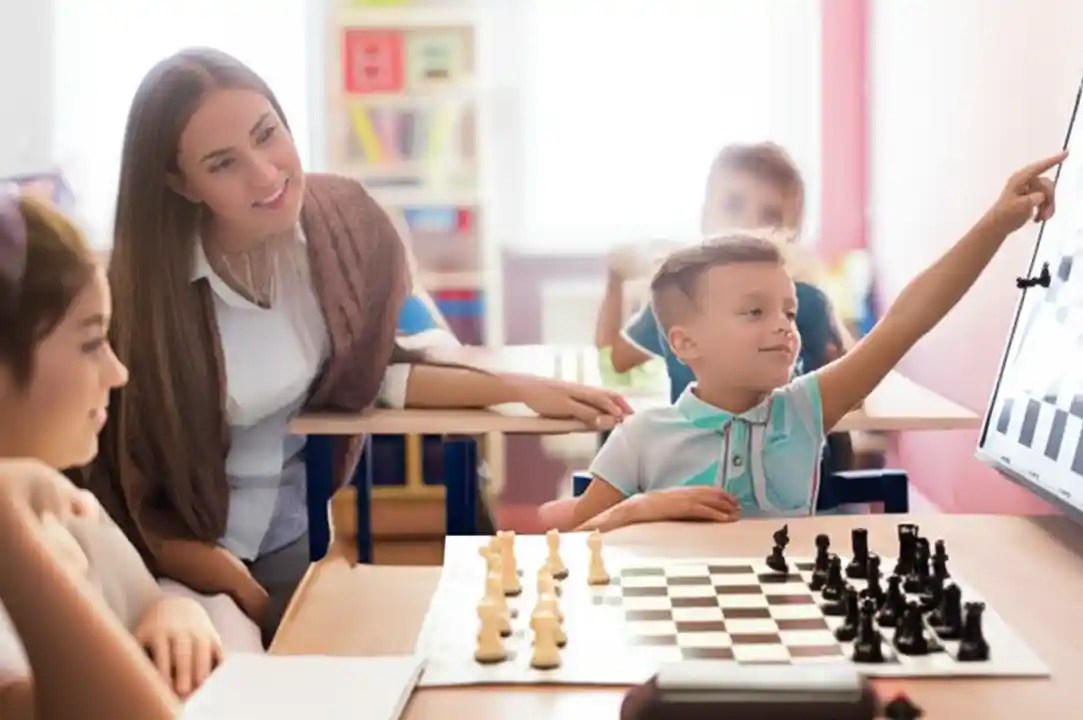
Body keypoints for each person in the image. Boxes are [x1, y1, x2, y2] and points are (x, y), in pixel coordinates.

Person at [78, 47, 631, 647]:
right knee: (234, 675)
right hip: (182, 553)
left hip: (288, 534)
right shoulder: (147, 298)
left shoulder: (336, 232)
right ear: (179, 184)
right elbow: (128, 475)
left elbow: (384, 376)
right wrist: (227, 583)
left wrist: (521, 391)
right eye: (222, 164)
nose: (265, 174)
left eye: (268, 134)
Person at [568, 151, 1066, 531]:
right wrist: (643, 507)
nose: (786, 326)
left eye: (788, 310)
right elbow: (567, 532)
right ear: (684, 343)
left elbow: (906, 321)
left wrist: (996, 225)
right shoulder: (640, 437)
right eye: (755, 312)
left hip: (787, 616)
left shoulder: (804, 410)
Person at [0, 192, 231, 712]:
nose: (118, 373)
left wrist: (176, 612)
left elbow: (149, 600)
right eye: (90, 343)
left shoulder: (68, 511)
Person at [595, 142, 853, 398]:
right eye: (732, 206)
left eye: (770, 218)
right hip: (700, 440)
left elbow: (854, 384)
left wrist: (826, 309)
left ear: (791, 236)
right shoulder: (678, 299)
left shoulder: (805, 302)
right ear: (705, 216)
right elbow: (614, 361)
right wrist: (615, 278)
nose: (747, 225)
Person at [0, 459, 181, 720]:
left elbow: (147, 599)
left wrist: (175, 610)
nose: (108, 415)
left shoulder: (74, 506)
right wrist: (9, 521)